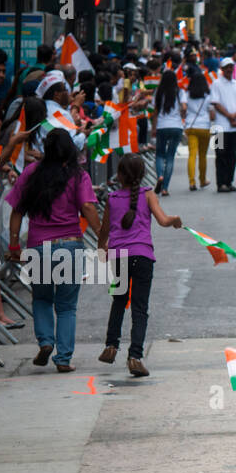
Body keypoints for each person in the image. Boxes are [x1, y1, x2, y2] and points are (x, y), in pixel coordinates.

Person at [6, 128, 101, 373]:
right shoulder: (78, 176)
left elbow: (17, 211)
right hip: (70, 245)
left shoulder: (30, 173)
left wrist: (14, 244)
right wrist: (103, 236)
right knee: (67, 306)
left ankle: (46, 341)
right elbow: (88, 208)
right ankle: (63, 358)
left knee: (42, 299)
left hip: (38, 247)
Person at [97, 153, 183, 377]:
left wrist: (101, 251)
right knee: (140, 308)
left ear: (120, 176)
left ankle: (111, 345)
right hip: (143, 257)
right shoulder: (148, 194)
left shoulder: (113, 198)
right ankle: (135, 355)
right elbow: (164, 221)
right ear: (143, 174)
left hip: (118, 258)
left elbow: (104, 231)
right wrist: (175, 220)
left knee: (118, 301)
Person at [210, 60, 236, 192]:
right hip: (219, 126)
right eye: (227, 67)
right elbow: (215, 103)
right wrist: (229, 116)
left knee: (232, 155)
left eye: (231, 67)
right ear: (222, 69)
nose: (229, 69)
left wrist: (235, 116)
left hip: (234, 126)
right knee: (220, 154)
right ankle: (221, 183)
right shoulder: (216, 84)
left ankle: (229, 181)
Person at [151, 70, 183, 196]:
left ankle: (160, 176)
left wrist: (154, 128)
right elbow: (184, 107)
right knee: (170, 157)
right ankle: (165, 188)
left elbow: (155, 112)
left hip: (162, 126)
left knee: (159, 154)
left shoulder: (158, 93)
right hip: (176, 126)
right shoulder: (180, 92)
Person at [183, 68, 213, 191]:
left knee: (192, 154)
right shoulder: (208, 97)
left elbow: (183, 110)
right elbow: (212, 115)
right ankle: (202, 180)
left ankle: (191, 181)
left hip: (191, 126)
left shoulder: (187, 95)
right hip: (204, 127)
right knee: (202, 155)